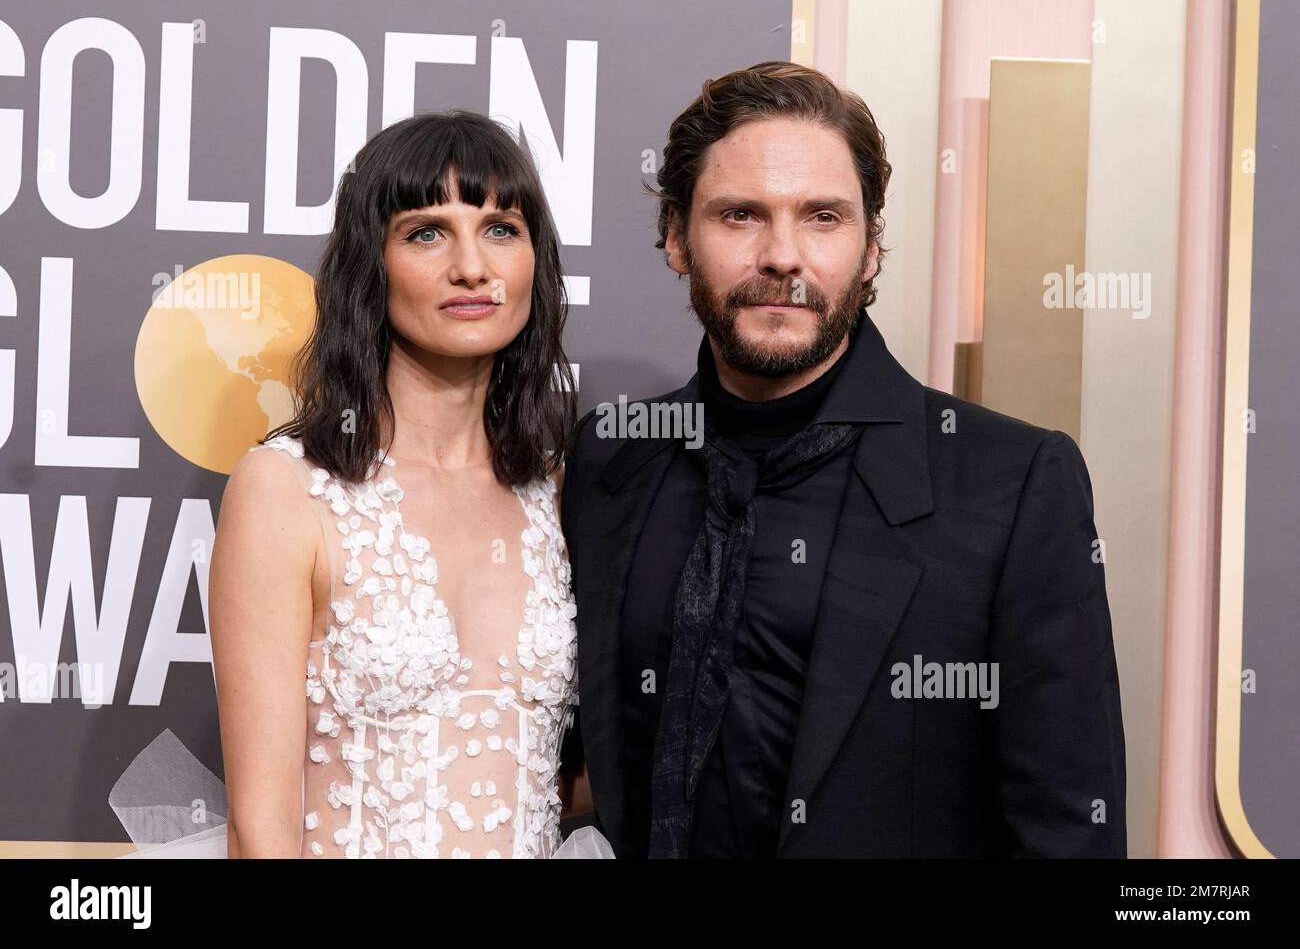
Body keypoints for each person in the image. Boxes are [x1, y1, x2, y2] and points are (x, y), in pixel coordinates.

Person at [560, 61, 1128, 858]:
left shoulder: (1011, 484)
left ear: (869, 250)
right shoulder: (612, 460)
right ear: (676, 239)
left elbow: (1069, 831)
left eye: (822, 217)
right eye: (740, 215)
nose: (782, 255)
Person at [207, 110, 595, 858]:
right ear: (370, 263)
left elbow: (565, 764)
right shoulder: (285, 491)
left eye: (500, 229)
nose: (472, 267)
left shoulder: (560, 492)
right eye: (426, 232)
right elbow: (261, 826)